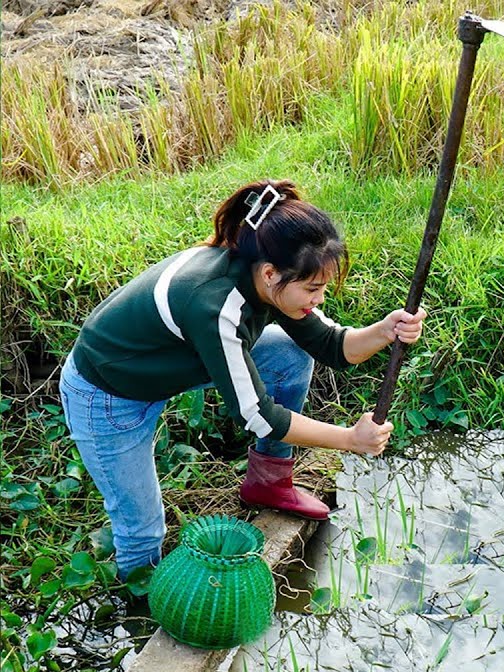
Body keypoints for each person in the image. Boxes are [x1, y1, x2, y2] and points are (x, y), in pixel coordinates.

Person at [58, 179, 427, 580]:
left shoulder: (265, 276)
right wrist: (349, 440)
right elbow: (259, 415)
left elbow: (333, 347)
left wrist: (386, 330)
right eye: (313, 288)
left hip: (170, 361)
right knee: (143, 533)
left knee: (287, 353)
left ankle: (269, 481)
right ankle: (140, 605)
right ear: (271, 275)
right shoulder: (214, 304)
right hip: (109, 393)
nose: (319, 299)